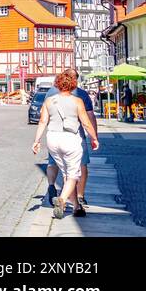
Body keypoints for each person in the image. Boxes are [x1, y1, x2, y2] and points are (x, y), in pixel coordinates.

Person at [33, 69, 100, 219]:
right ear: (73, 84)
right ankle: (62, 200)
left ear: (57, 84)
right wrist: (94, 138)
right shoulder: (77, 101)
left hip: (53, 139)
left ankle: (76, 206)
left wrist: (36, 141)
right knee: (73, 175)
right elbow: (86, 123)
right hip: (70, 139)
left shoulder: (49, 100)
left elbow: (43, 121)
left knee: (66, 174)